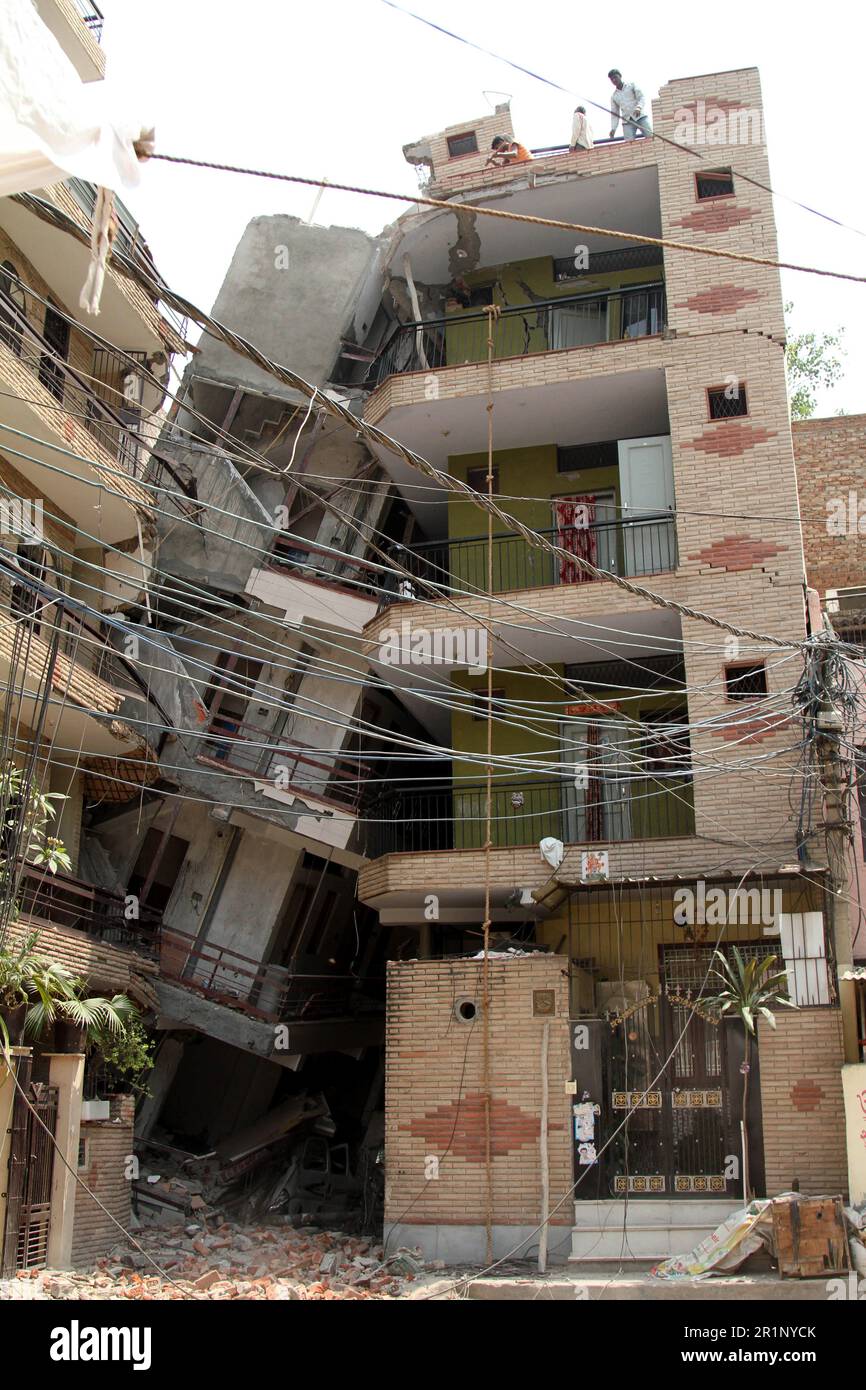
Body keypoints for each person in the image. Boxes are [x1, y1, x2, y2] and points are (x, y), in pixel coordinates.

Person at [608, 70, 652, 139]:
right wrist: (613, 129)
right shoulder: (614, 96)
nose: (614, 80)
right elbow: (615, 114)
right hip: (627, 121)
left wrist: (639, 108)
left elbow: (641, 97)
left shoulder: (631, 85)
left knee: (651, 136)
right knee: (629, 143)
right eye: (612, 79)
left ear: (620, 76)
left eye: (615, 77)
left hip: (640, 116)